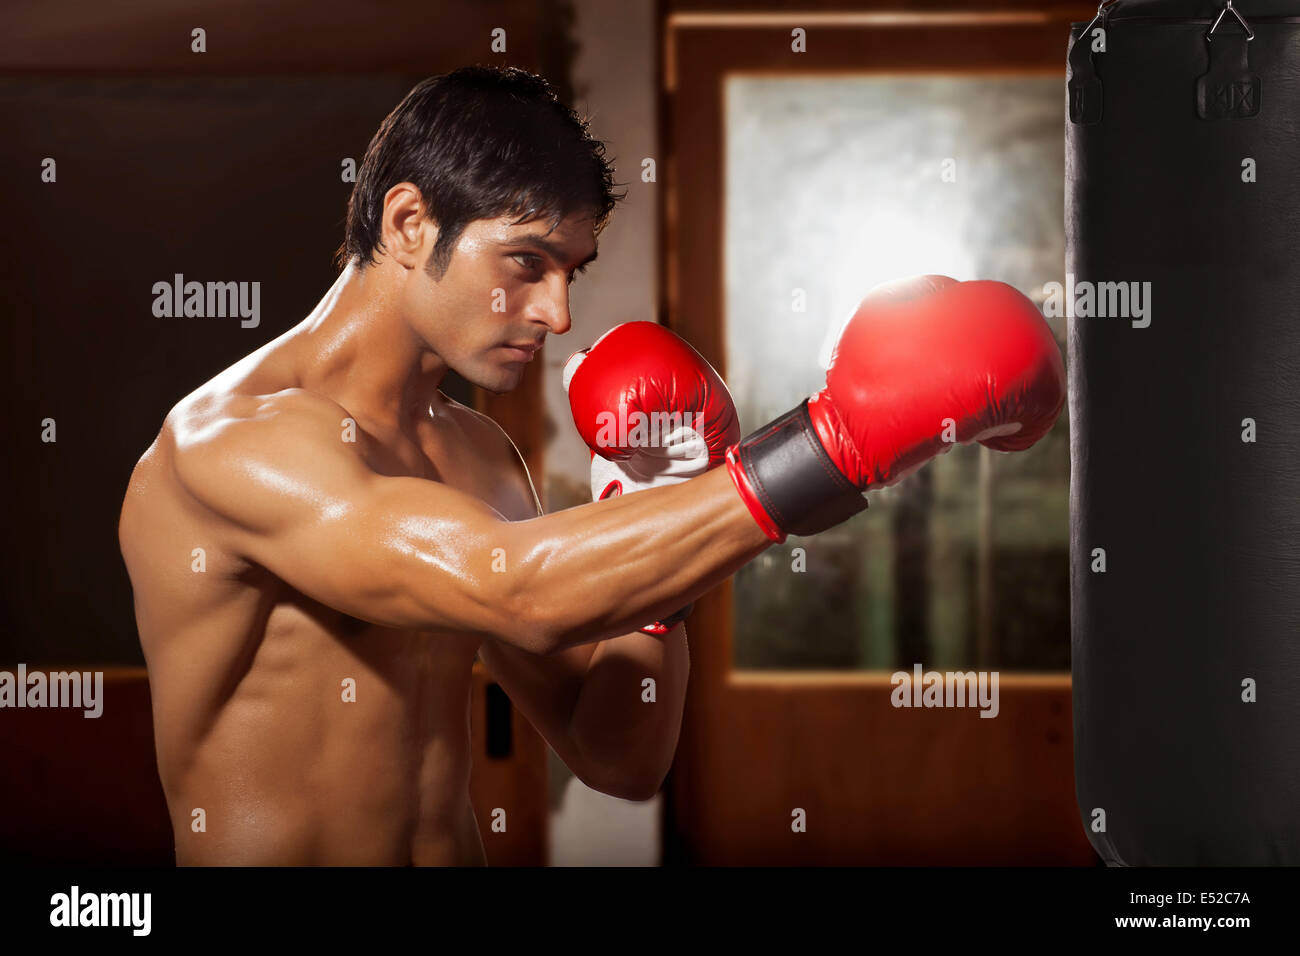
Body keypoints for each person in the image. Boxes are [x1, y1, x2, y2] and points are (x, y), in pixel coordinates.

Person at [118, 66, 1065, 865]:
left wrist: (655, 516)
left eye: (573, 269)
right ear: (409, 224)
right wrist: (828, 449)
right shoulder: (234, 443)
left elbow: (618, 755)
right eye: (527, 262)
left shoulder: (475, 451)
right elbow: (517, 588)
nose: (558, 313)